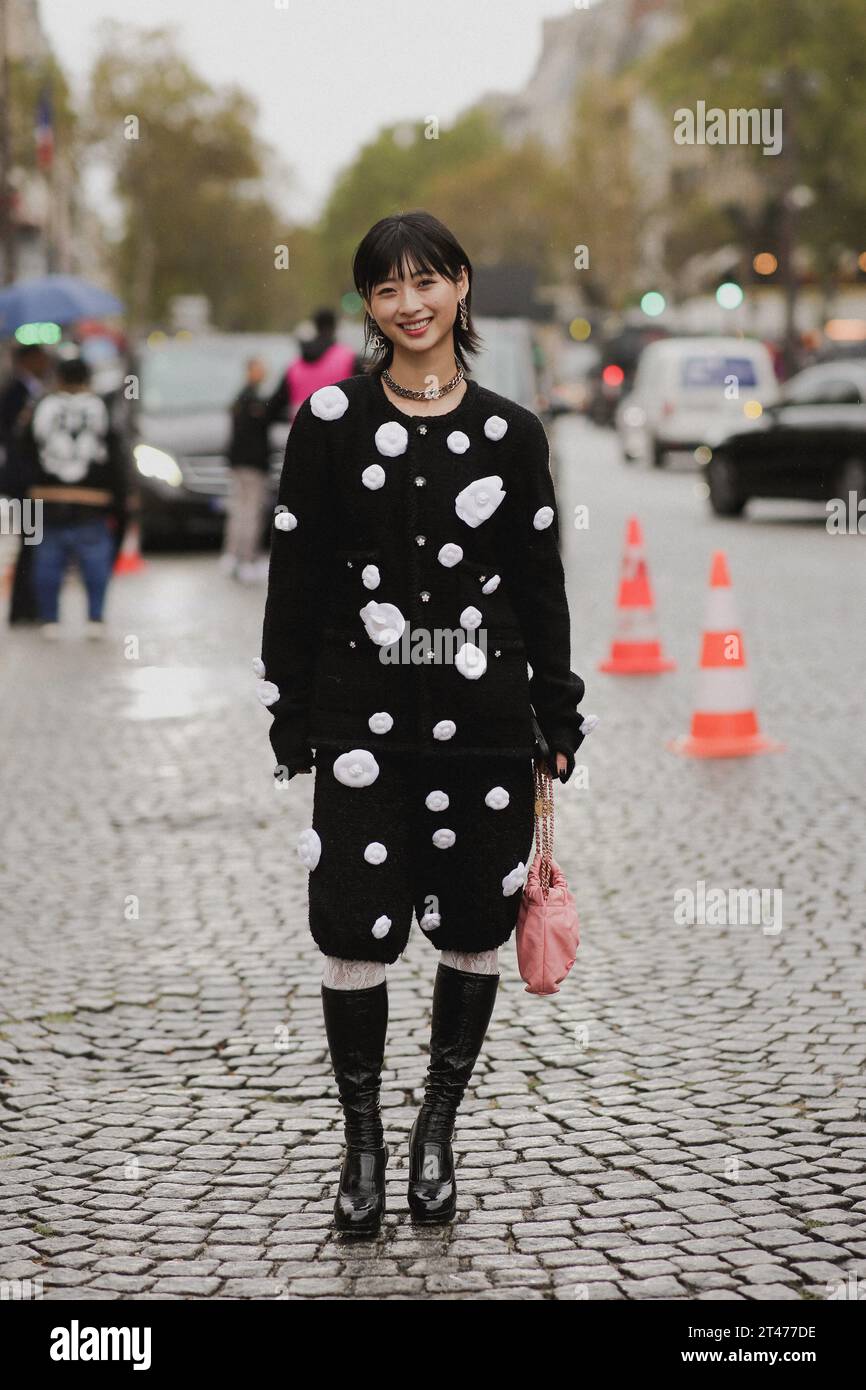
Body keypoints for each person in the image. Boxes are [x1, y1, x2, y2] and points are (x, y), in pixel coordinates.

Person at [258, 210, 593, 1237]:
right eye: (386, 288)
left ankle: (434, 1128)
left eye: (426, 282)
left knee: (472, 927)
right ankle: (361, 1139)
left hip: (485, 718)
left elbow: (539, 585)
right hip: (361, 722)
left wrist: (554, 709)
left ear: (459, 285)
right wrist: (290, 705)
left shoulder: (511, 433)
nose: (409, 305)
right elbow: (297, 577)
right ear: (366, 304)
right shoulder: (327, 425)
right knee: (353, 928)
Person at [21, 354, 129, 638]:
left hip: (47, 500)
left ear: (58, 378)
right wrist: (121, 499)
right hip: (91, 502)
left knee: (47, 563)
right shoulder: (101, 408)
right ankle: (94, 617)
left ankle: (50, 619)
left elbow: (25, 451)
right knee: (95, 563)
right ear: (87, 378)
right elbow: (116, 455)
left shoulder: (40, 407)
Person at [0, 343, 54, 625]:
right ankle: (23, 609)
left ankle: (29, 606)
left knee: (34, 541)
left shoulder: (34, 389)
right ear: (29, 360)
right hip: (24, 483)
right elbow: (12, 436)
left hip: (32, 481)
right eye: (42, 357)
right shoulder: (14, 392)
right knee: (31, 540)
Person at [221, 356, 271, 582]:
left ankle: (232, 555)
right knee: (250, 511)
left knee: (238, 510)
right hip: (251, 464)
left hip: (239, 463)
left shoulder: (241, 399)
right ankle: (246, 558)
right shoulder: (252, 400)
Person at [266, 308, 362, 425]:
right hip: (341, 437)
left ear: (315, 326)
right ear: (335, 327)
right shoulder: (350, 359)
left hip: (302, 436)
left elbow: (273, 407)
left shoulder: (294, 367)